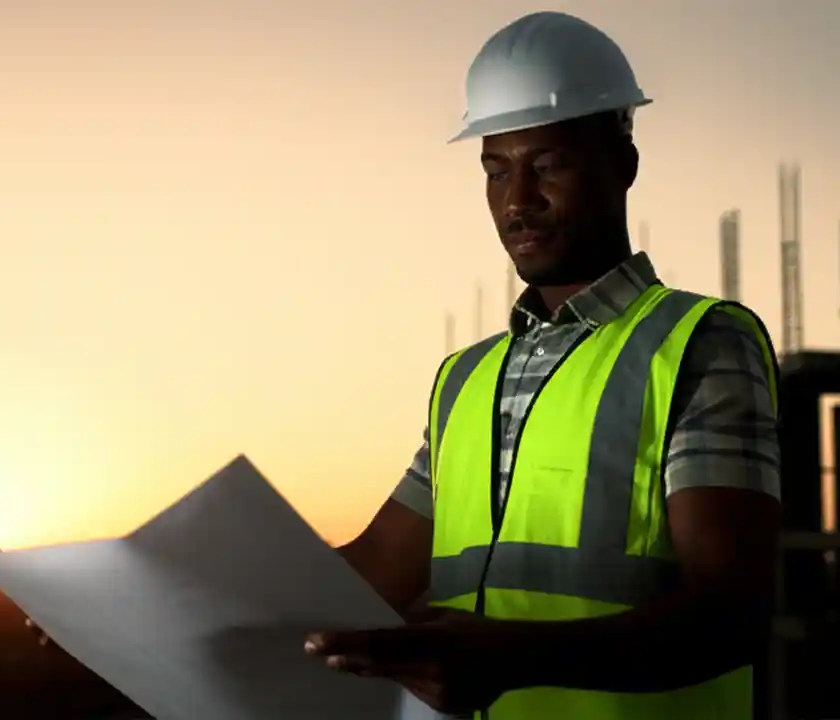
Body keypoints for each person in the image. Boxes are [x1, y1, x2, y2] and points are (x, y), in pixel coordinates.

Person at [300, 11, 783, 720]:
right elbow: (374, 569)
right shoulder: (464, 381)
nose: (517, 200)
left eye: (548, 165)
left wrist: (515, 658)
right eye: (496, 170)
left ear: (623, 163)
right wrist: (189, 602)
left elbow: (732, 613)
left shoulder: (698, 345)